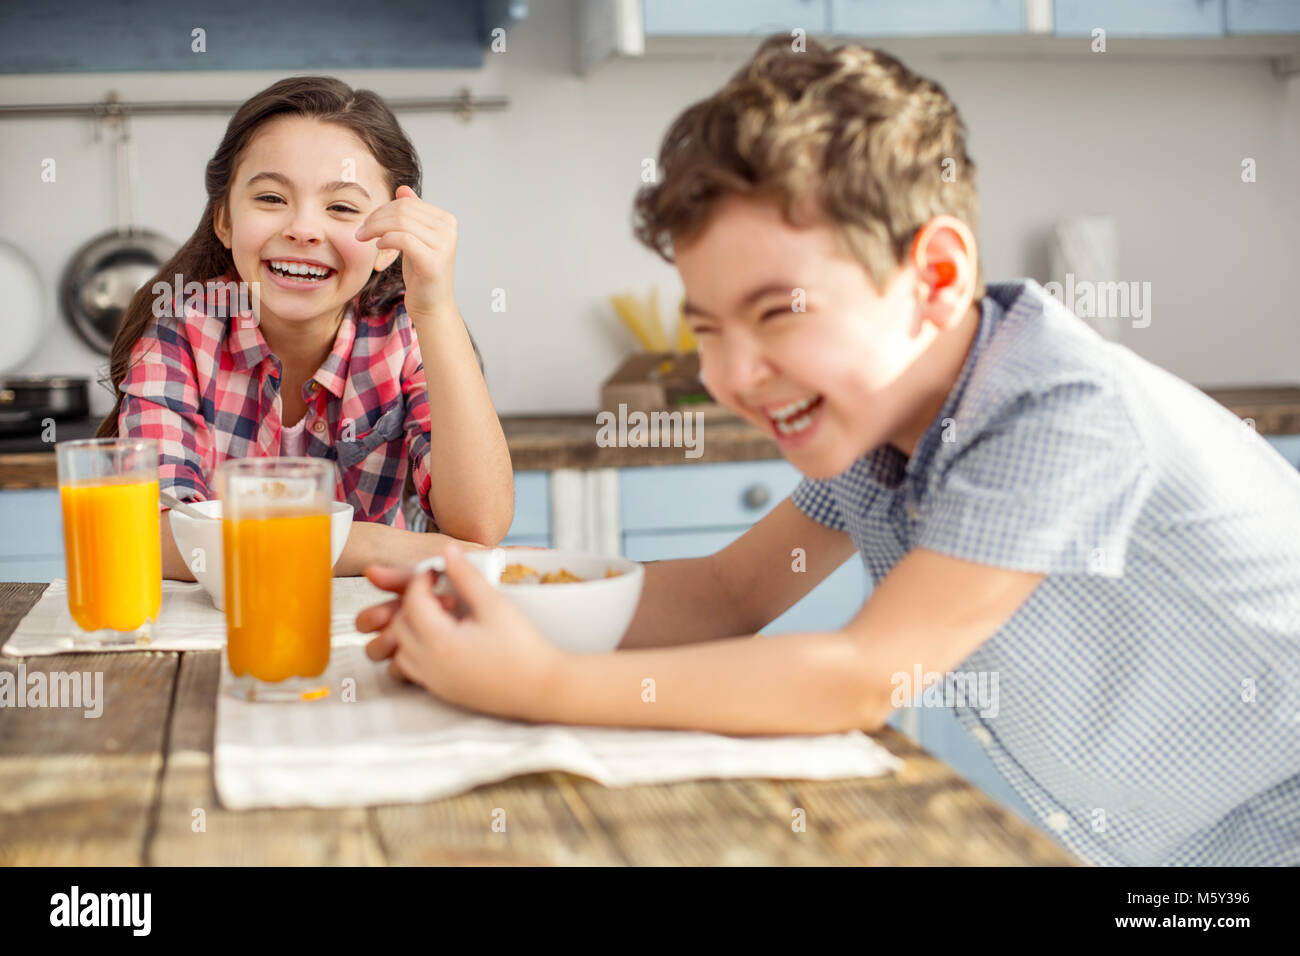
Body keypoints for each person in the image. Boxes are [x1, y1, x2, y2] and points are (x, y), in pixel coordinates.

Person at [357, 37, 1300, 866]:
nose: (736, 372)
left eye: (780, 314)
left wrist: (540, 684)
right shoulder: (885, 423)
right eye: (708, 328)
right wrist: (493, 600)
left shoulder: (1059, 408)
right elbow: (728, 594)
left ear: (933, 277)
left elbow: (860, 674)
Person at [100, 76, 513, 578]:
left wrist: (436, 308)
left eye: (341, 206)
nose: (303, 228)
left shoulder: (406, 334)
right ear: (224, 221)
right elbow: (151, 536)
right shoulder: (180, 332)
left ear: (388, 240)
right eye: (271, 198)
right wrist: (378, 546)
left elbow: (481, 524)